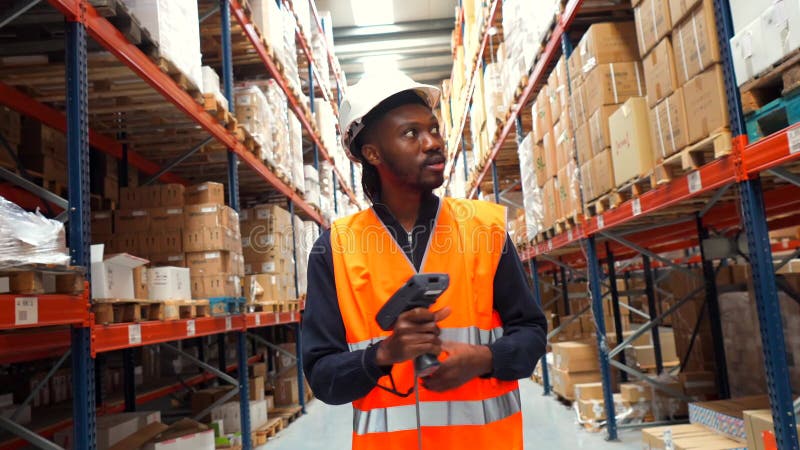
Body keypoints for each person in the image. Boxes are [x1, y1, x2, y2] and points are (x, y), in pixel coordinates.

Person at [301, 71, 547, 450]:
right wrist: (384, 354)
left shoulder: (484, 229)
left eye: (434, 129)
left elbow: (532, 333)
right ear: (373, 153)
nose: (433, 142)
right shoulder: (333, 249)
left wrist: (484, 358)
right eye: (411, 133)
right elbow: (323, 377)